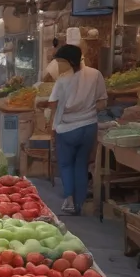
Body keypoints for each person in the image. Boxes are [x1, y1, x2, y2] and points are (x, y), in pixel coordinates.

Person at [44, 44, 108, 215]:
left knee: (66, 165)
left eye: (60, 61)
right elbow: (102, 102)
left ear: (69, 61)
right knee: (81, 164)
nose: (58, 64)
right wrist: (86, 109)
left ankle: (69, 200)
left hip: (66, 129)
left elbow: (52, 103)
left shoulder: (62, 80)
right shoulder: (96, 74)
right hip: (89, 127)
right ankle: (79, 204)